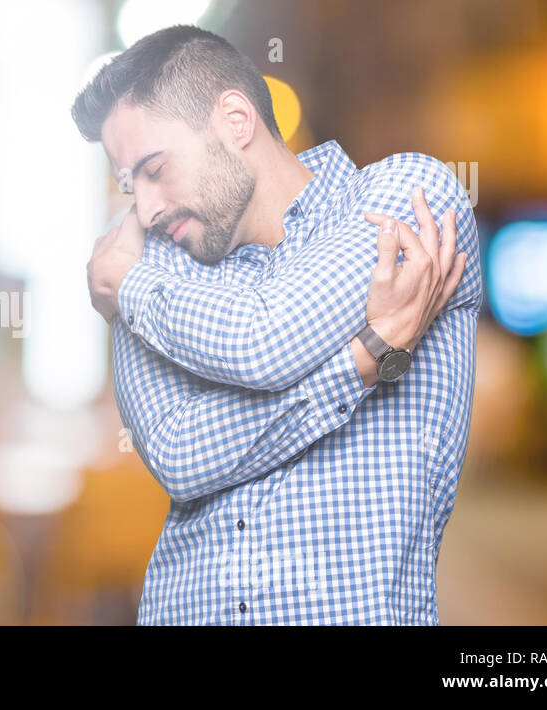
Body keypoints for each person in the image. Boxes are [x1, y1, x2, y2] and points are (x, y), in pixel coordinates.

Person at [72, 24, 481, 624]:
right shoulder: (160, 267)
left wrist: (129, 288)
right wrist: (362, 360)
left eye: (155, 168)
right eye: (130, 184)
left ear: (236, 121)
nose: (147, 208)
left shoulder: (407, 197)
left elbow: (263, 342)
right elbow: (179, 456)